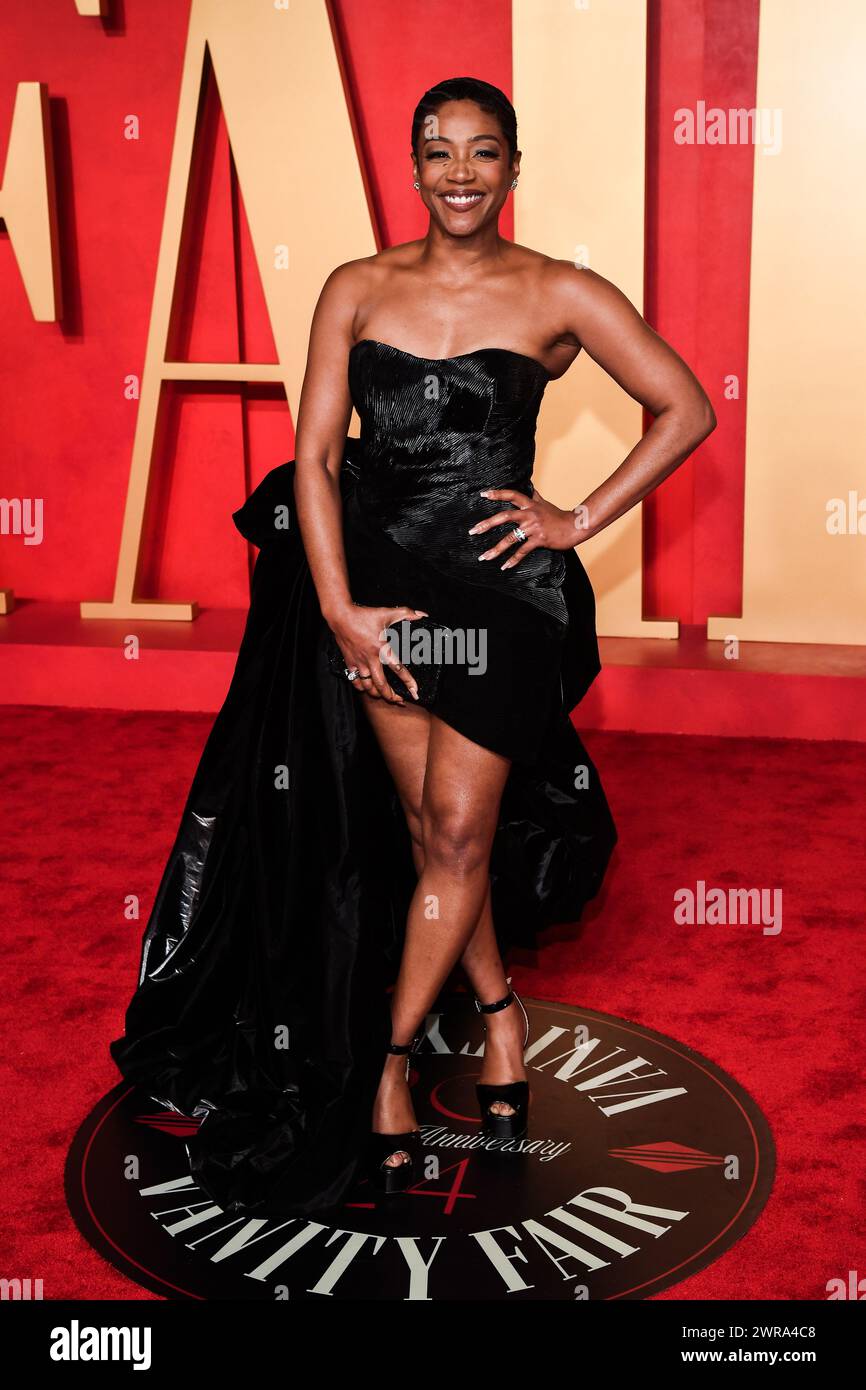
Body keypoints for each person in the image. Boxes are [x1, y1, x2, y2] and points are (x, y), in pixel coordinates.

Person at [109, 76, 715, 1217]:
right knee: (433, 829)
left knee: (453, 827)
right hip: (380, 600)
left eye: (482, 152)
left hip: (501, 601)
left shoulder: (558, 290)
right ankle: (497, 1024)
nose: (459, 173)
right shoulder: (355, 287)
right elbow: (315, 464)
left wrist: (575, 518)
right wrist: (338, 607)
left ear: (512, 164)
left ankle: (384, 1064)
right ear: (412, 161)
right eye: (438, 151)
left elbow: (685, 405)